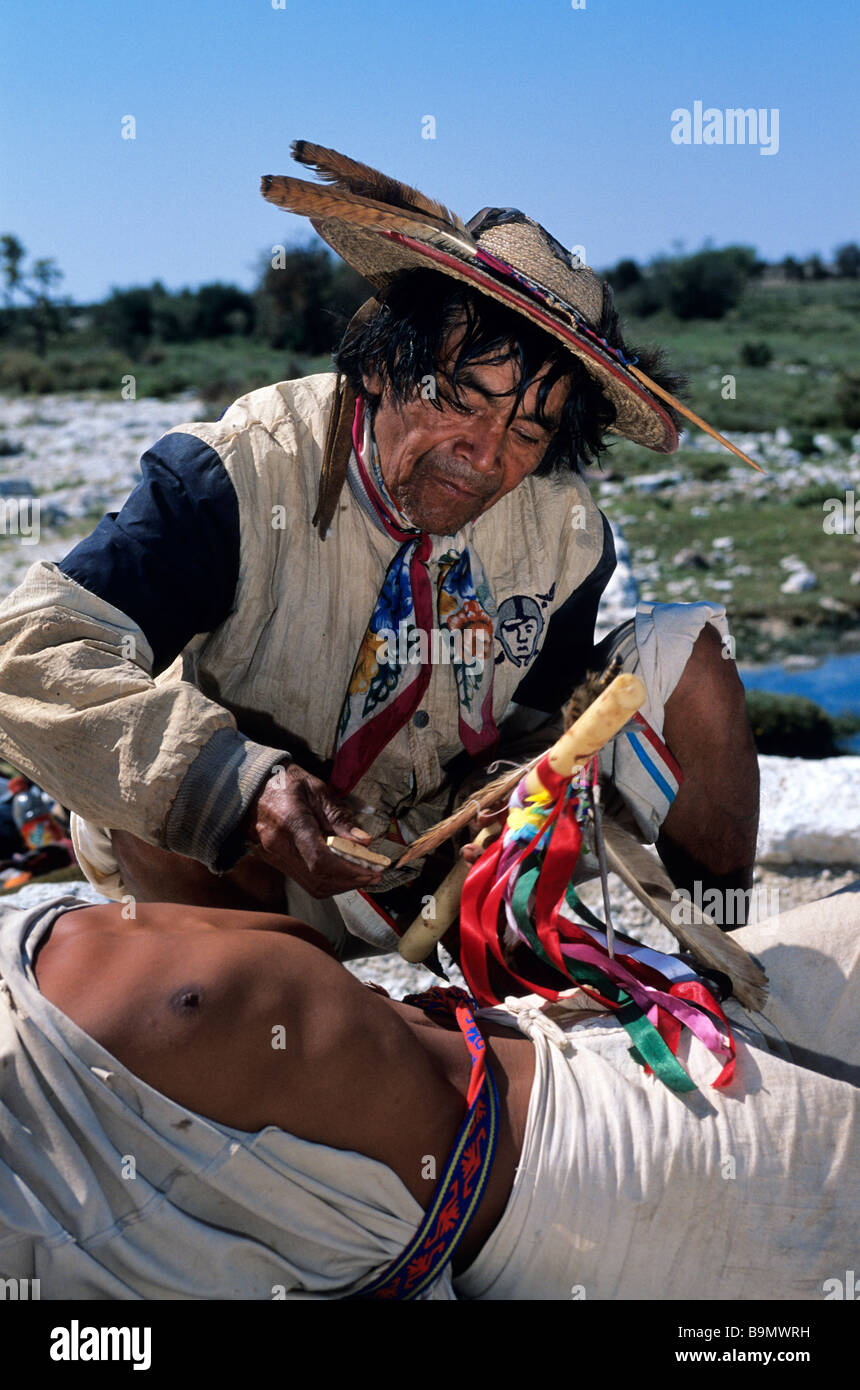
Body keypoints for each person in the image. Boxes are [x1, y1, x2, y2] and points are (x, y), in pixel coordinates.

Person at [0, 142, 759, 957]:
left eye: (528, 429)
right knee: (163, 796)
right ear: (380, 366)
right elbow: (28, 647)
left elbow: (539, 717)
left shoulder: (564, 532)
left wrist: (510, 786)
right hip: (261, 872)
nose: (484, 452)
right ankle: (274, 1035)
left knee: (694, 659)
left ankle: (731, 973)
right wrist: (244, 787)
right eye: (457, 397)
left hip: (447, 868)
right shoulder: (238, 473)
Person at [0, 887, 856, 1300]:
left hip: (569, 1023)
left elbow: (300, 938)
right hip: (588, 1176)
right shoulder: (33, 1193)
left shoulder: (40, 939)